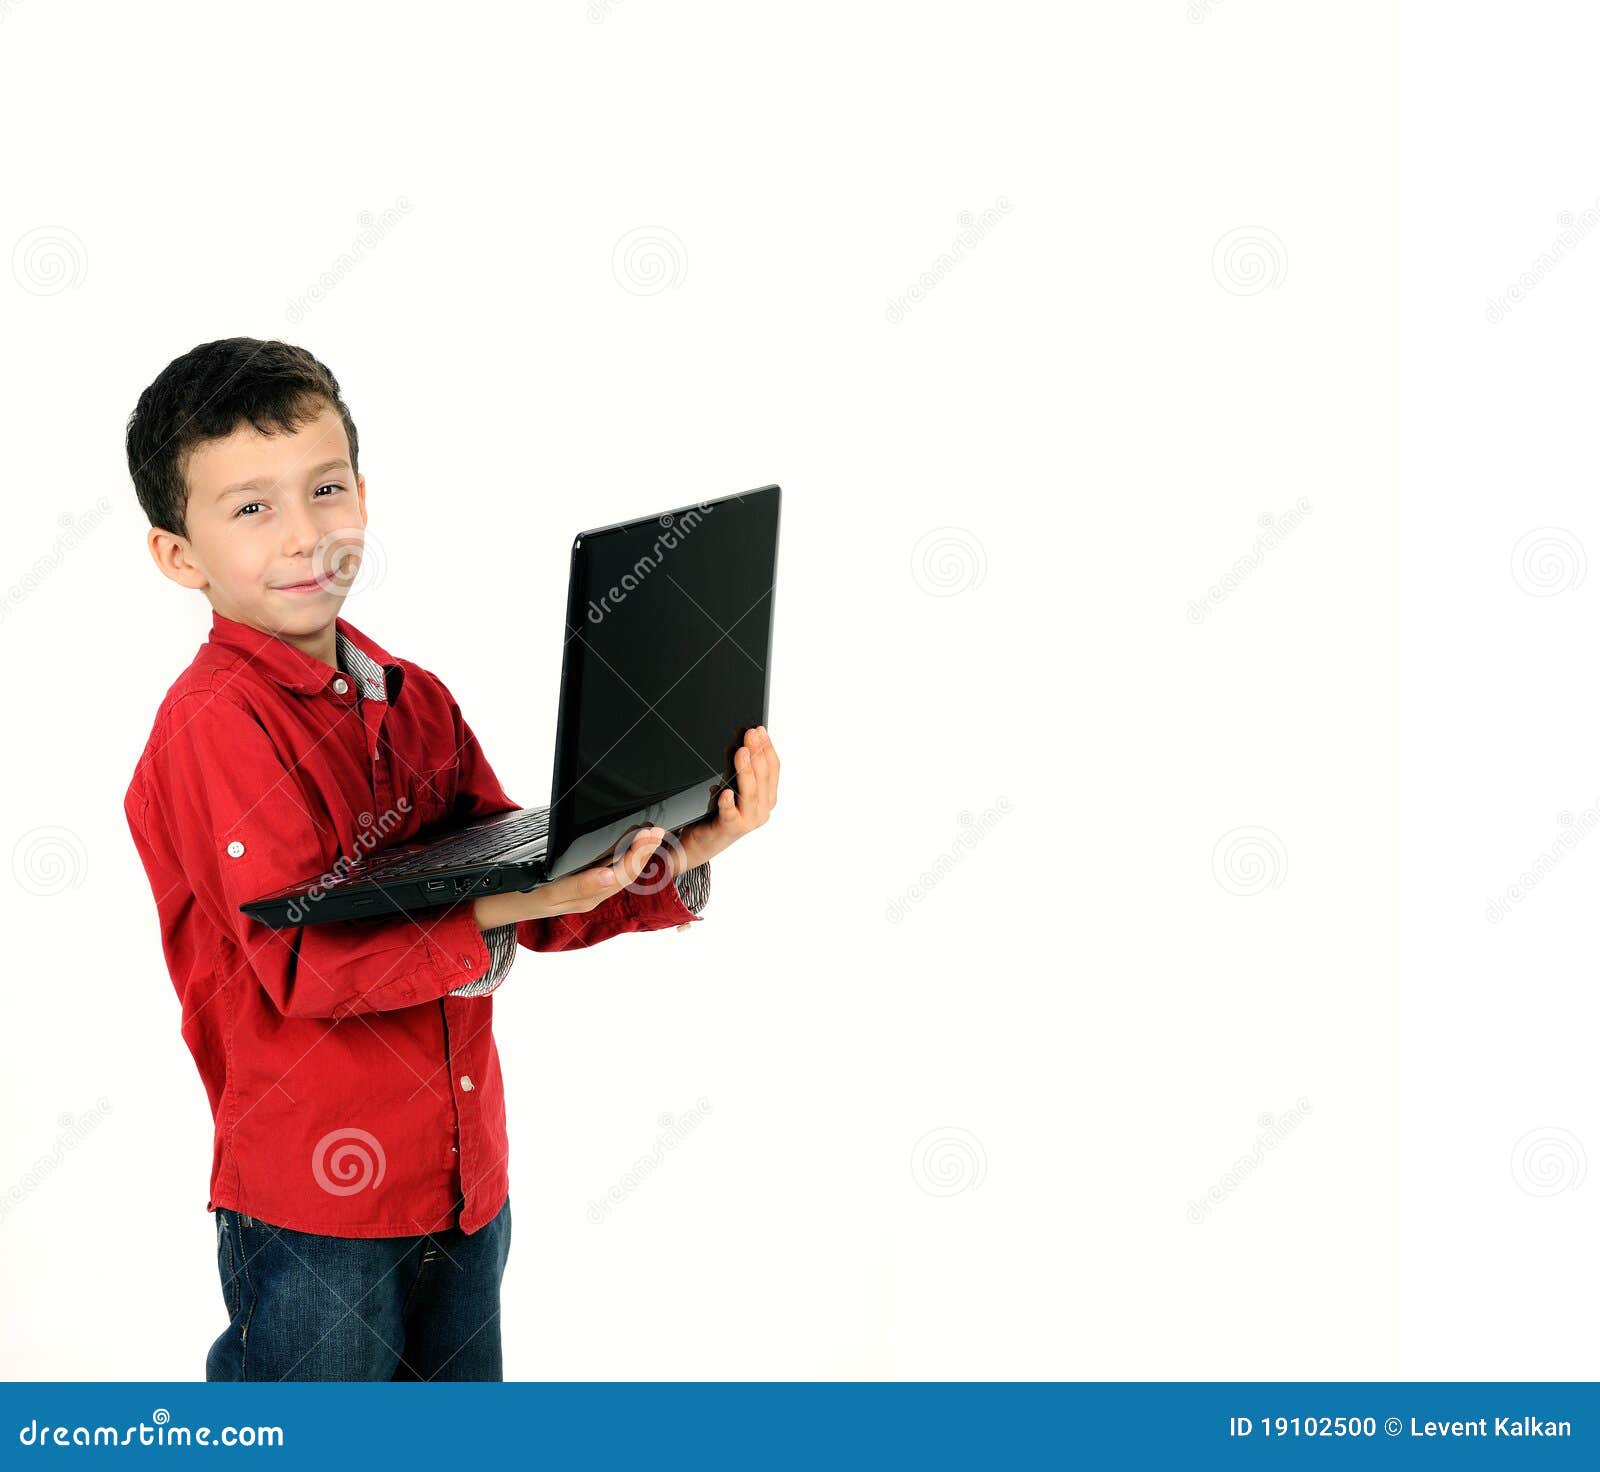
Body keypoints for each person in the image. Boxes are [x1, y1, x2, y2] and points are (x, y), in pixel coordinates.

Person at [120, 338, 780, 1381]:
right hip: (315, 1209)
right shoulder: (214, 726)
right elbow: (304, 968)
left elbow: (530, 890)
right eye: (250, 507)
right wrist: (513, 899)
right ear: (179, 555)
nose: (303, 532)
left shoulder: (412, 696)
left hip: (464, 1178)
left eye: (324, 488)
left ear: (363, 497)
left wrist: (678, 847)